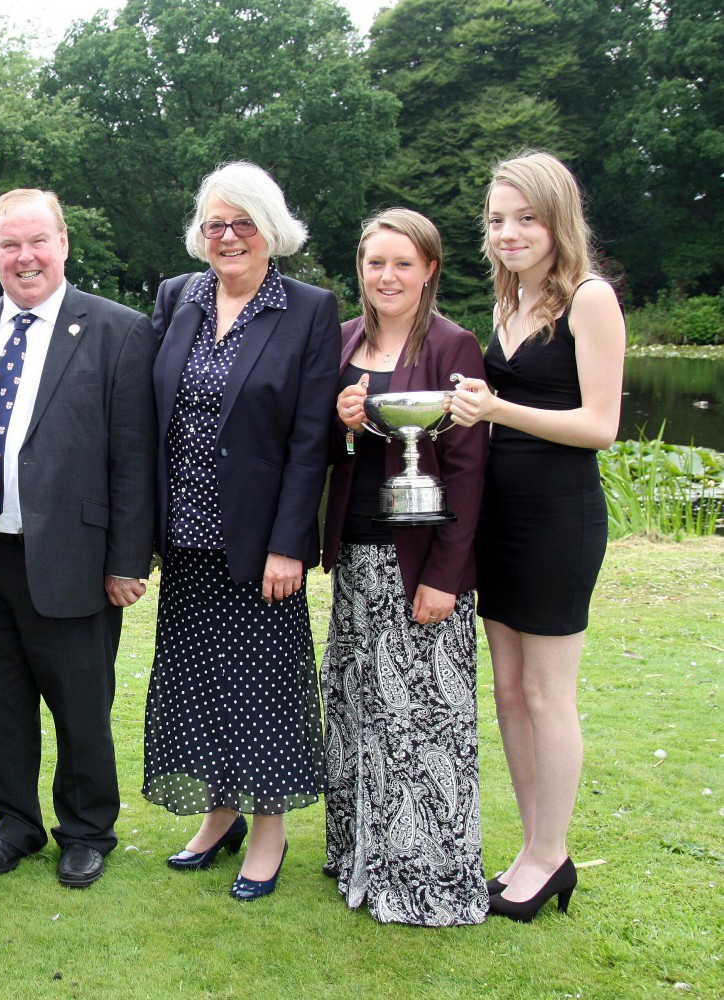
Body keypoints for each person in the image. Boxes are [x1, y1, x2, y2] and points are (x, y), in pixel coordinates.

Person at [0, 189, 157, 889]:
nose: (25, 257)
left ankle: (88, 828)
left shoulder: (119, 330)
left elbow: (134, 455)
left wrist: (128, 560)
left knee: (80, 702)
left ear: (64, 243)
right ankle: (15, 822)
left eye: (38, 241)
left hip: (76, 555)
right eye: (10, 245)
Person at [142, 161, 337, 901]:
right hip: (185, 532)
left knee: (263, 687)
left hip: (261, 544)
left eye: (242, 223)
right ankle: (217, 814)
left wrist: (291, 543)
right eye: (215, 224)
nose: (227, 237)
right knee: (197, 682)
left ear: (270, 229)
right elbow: (153, 414)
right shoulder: (178, 297)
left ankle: (267, 829)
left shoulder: (308, 309)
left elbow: (311, 438)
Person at [449, 150, 625, 921]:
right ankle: (530, 848)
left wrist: (497, 411)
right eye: (496, 221)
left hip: (559, 520)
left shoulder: (591, 299)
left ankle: (553, 854)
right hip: (501, 519)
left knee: (549, 695)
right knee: (511, 691)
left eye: (525, 218)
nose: (508, 233)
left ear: (558, 220)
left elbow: (600, 427)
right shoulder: (507, 302)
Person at [321, 208, 489, 925]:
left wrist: (446, 576)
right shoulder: (341, 343)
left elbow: (470, 469)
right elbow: (323, 455)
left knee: (422, 726)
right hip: (355, 559)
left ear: (430, 271)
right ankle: (359, 858)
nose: (386, 277)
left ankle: (427, 879)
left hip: (419, 565)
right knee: (358, 713)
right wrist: (342, 422)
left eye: (402, 263)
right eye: (373, 263)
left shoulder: (454, 346)